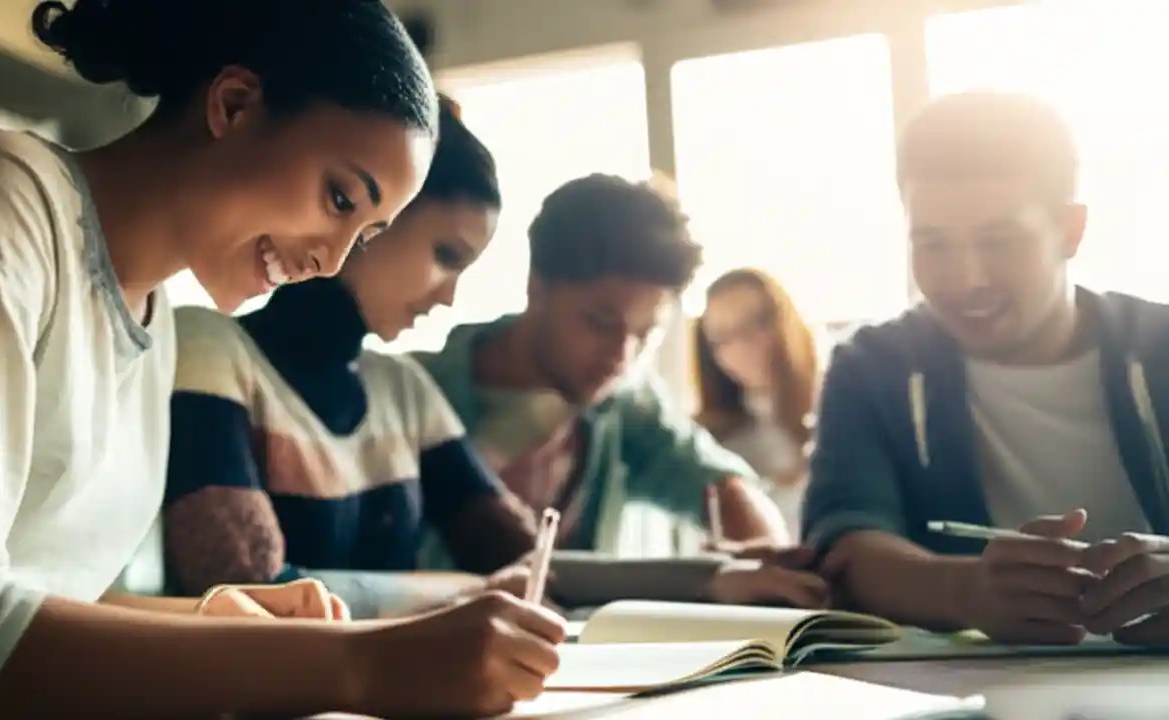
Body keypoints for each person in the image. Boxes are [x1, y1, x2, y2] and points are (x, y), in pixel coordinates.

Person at [0, 2, 563, 719]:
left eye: (364, 235)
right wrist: (358, 664)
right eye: (339, 198)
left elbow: (50, 594)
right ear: (234, 104)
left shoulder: (159, 324)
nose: (329, 260)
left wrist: (213, 622)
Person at [804, 91, 1169, 647]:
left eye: (998, 242)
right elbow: (847, 543)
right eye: (933, 245)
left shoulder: (1161, 346)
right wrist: (966, 592)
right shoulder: (872, 368)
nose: (965, 278)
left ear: (1070, 231)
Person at [164, 98, 541, 619]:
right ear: (382, 215)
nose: (449, 297)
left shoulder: (401, 387)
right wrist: (464, 592)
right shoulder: (208, 347)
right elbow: (249, 590)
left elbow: (526, 563)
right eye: (445, 256)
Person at [418, 174, 829, 609]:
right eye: (600, 321)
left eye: (645, 333)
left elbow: (720, 483)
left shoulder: (626, 404)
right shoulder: (418, 393)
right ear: (536, 287)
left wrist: (765, 563)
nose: (621, 354)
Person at [695, 268, 818, 537]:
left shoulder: (837, 410)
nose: (742, 344)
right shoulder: (710, 443)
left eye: (757, 323)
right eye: (722, 336)